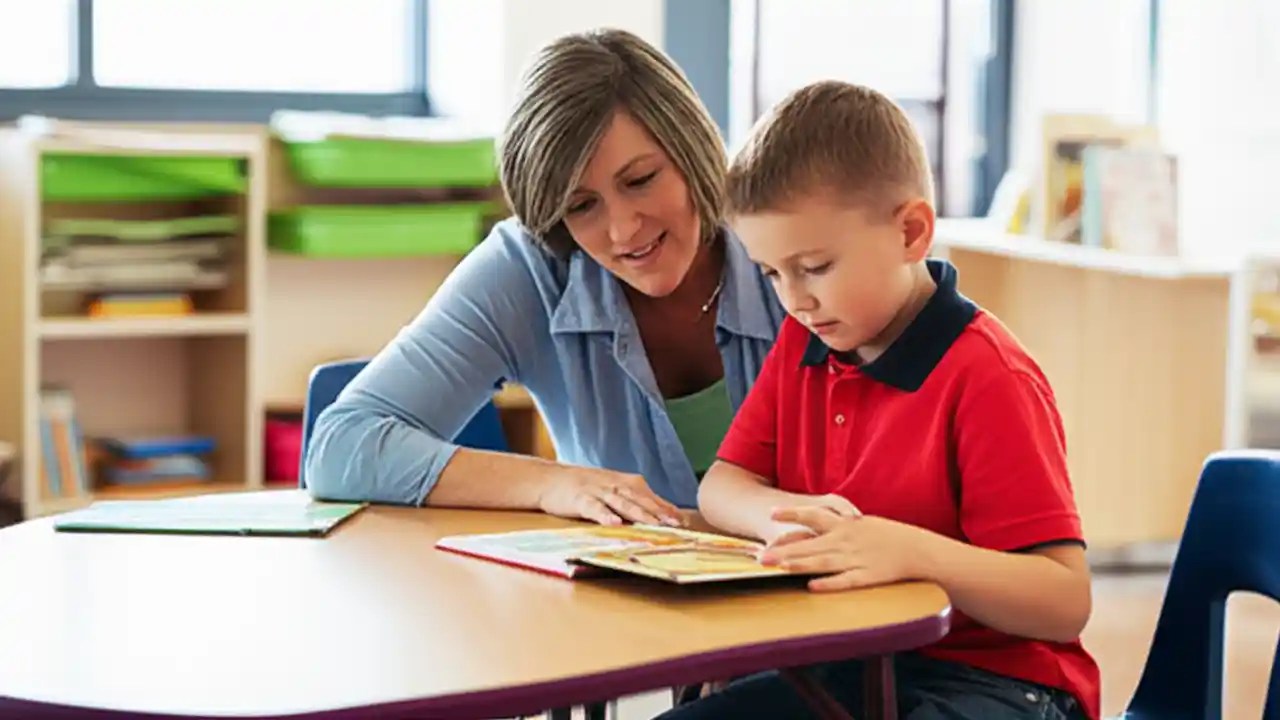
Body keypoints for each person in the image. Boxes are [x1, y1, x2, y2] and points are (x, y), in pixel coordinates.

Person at [658, 81, 1100, 720]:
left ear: (911, 233)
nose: (794, 300)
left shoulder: (989, 376)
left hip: (999, 682)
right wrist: (783, 518)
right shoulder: (803, 343)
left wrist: (909, 553)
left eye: (815, 267)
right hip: (851, 662)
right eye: (772, 273)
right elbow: (723, 486)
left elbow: (1063, 601)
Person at [303, 28, 794, 529]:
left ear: (692, 150)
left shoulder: (789, 239)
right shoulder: (531, 268)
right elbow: (340, 446)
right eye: (581, 206)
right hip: (615, 579)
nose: (623, 230)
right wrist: (553, 483)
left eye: (640, 180)